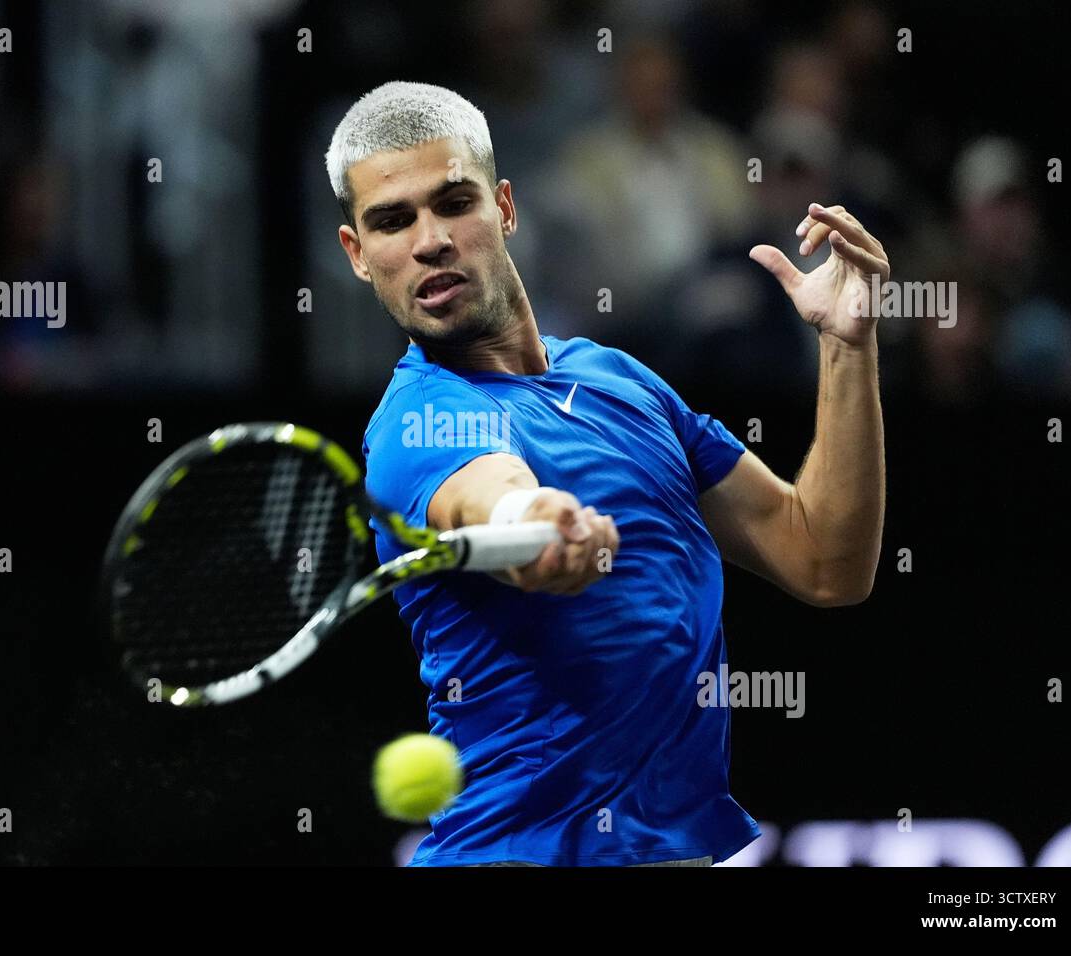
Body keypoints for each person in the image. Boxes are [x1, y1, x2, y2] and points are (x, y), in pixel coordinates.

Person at [324, 82, 887, 867]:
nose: (430, 241)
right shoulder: (418, 425)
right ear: (356, 253)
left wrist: (847, 346)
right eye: (392, 220)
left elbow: (826, 560)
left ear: (506, 208)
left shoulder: (621, 380)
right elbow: (498, 501)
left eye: (454, 202)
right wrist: (542, 531)